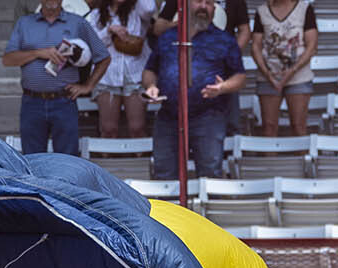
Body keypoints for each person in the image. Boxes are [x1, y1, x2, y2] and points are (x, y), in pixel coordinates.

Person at [142, 0, 243, 178]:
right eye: (198, 1)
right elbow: (150, 70)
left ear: (214, 9)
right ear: (185, 6)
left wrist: (223, 87)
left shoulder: (225, 40)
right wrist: (151, 86)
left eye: (209, 3)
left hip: (209, 118)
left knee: (210, 176)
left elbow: (240, 77)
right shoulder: (167, 38)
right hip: (168, 116)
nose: (203, 6)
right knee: (164, 175)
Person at [3, 0, 110, 156]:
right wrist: (38, 53)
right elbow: (8, 59)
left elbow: (104, 57)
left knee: (67, 159)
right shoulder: (24, 23)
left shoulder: (77, 23)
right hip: (32, 102)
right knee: (33, 159)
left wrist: (88, 86)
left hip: (64, 101)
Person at [249, 0, 317, 136]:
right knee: (269, 127)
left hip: (299, 77)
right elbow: (255, 46)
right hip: (268, 77)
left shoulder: (305, 9)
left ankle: (300, 152)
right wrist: (267, 74)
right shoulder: (262, 11)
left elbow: (311, 46)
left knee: (298, 126)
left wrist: (291, 71)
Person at [86, 0, 151, 139]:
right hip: (106, 76)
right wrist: (109, 31)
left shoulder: (138, 11)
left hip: (134, 75)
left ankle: (140, 153)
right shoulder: (96, 14)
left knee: (137, 127)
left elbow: (149, 8)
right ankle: (106, 154)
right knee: (108, 129)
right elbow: (92, 45)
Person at [152, 0, 249, 48]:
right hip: (185, 58)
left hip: (219, 62)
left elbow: (245, 31)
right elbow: (158, 29)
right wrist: (183, 22)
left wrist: (232, 54)